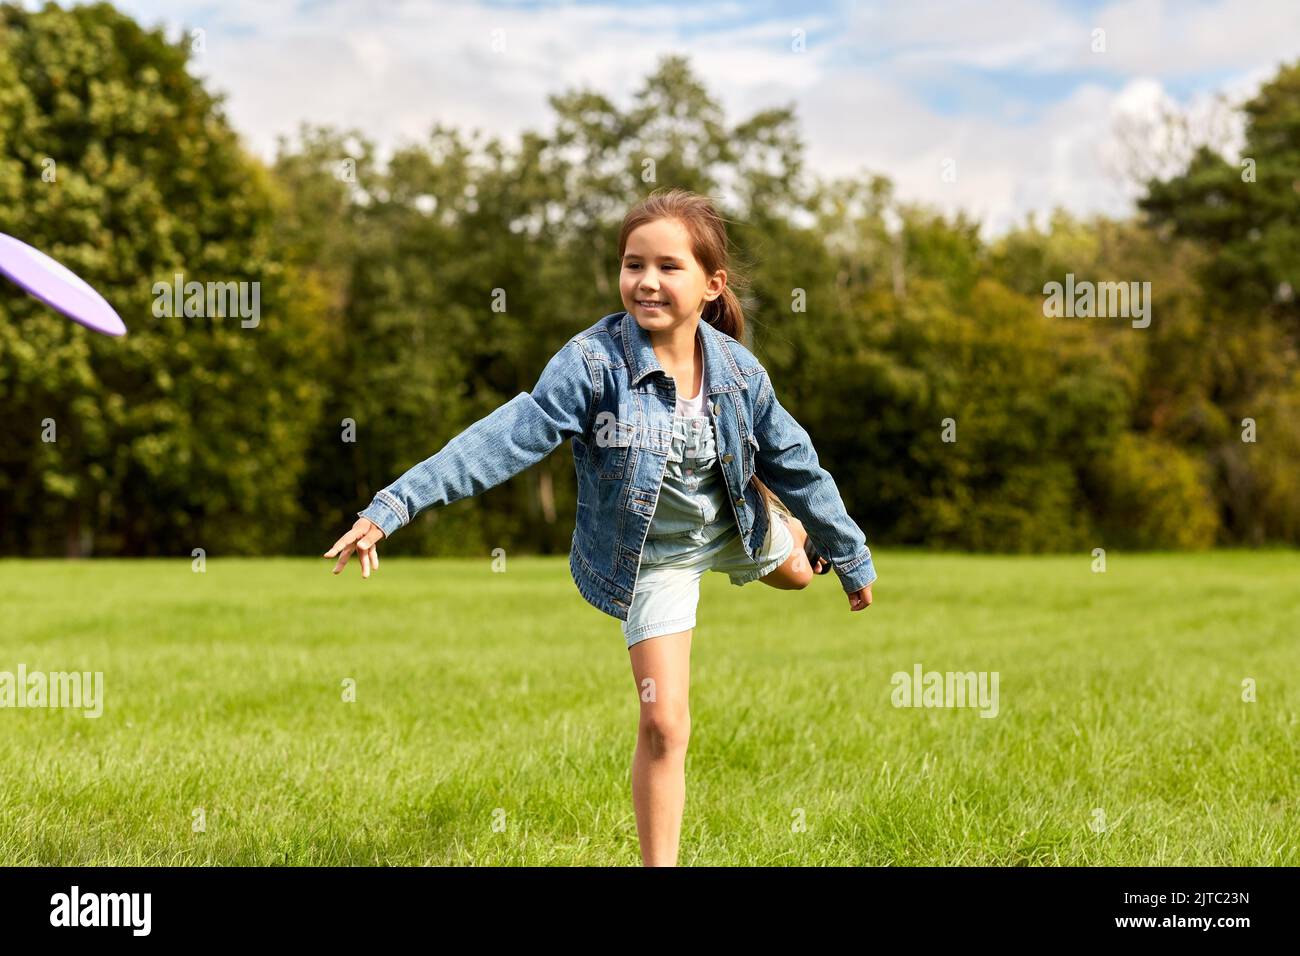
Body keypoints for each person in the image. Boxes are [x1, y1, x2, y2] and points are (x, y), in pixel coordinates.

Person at [324, 186, 877, 866]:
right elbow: (508, 436)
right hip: (652, 556)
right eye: (632, 263)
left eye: (668, 267)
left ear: (711, 284)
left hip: (733, 517)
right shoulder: (592, 365)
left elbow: (797, 462)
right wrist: (393, 504)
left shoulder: (738, 372)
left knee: (795, 573)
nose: (645, 281)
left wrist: (849, 556)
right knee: (664, 723)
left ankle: (788, 536)